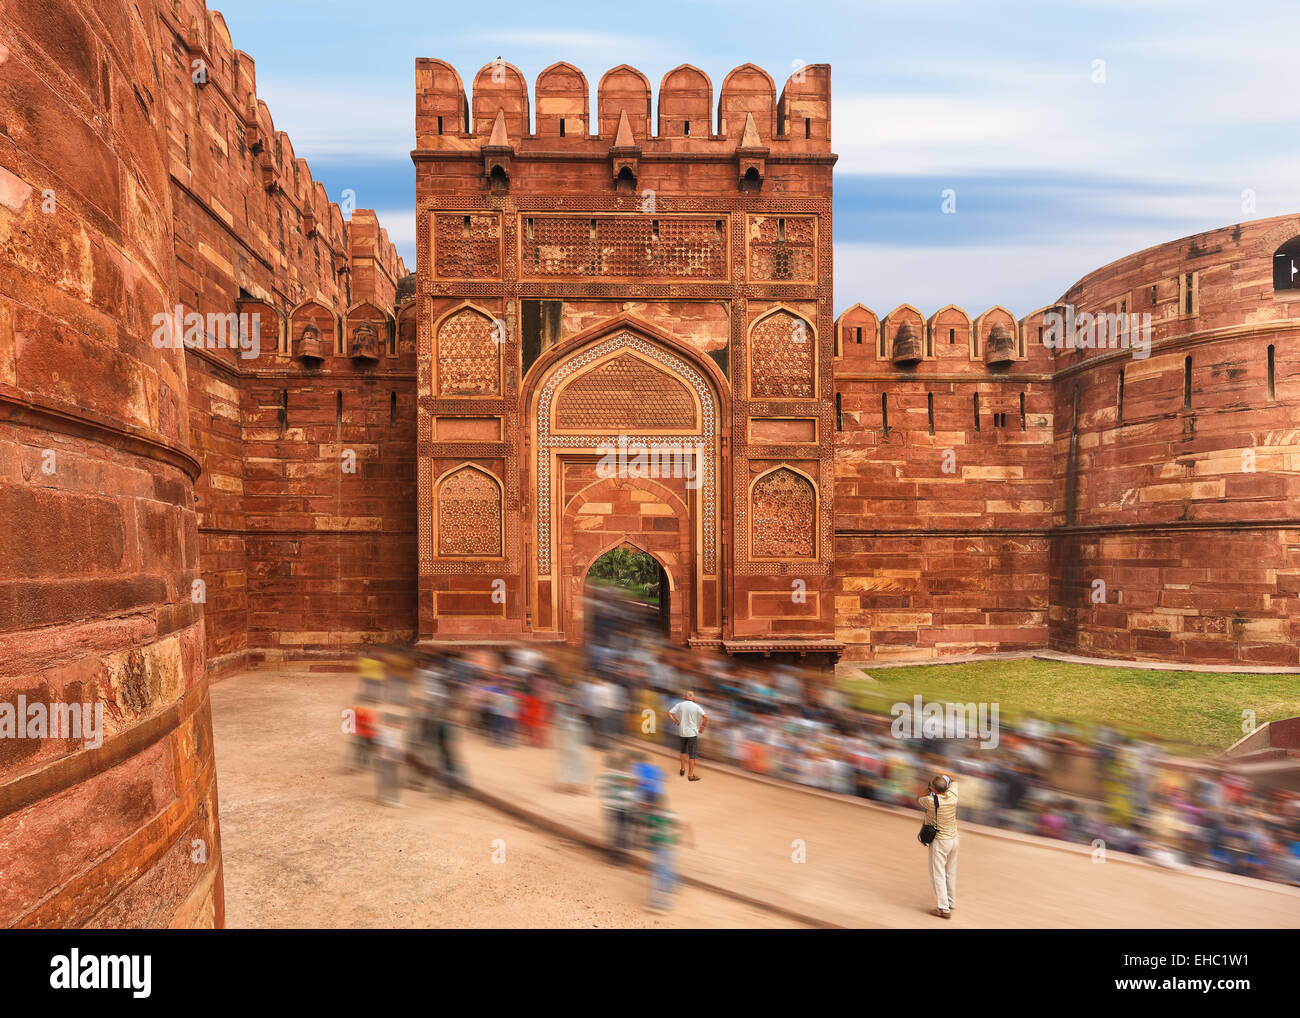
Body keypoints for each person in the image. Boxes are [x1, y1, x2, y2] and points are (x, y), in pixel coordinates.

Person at [644, 792, 693, 913]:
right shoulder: (670, 815)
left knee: (660, 873)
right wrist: (688, 839)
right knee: (666, 870)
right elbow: (686, 823)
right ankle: (675, 886)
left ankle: (662, 903)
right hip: (669, 847)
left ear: (653, 804)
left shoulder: (652, 815)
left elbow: (648, 832)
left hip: (664, 848)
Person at [919, 773, 959, 918]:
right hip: (954, 839)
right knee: (950, 872)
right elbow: (953, 780)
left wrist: (928, 786)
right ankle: (950, 902)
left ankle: (943, 909)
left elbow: (919, 797)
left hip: (940, 841)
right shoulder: (953, 794)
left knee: (938, 874)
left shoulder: (930, 801)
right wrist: (943, 779)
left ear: (933, 789)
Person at [597, 752, 635, 864]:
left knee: (612, 831)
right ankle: (619, 856)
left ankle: (612, 855)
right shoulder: (628, 777)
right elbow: (629, 794)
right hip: (622, 808)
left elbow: (602, 790)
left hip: (610, 806)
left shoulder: (608, 775)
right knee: (621, 831)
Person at [666, 691, 707, 781]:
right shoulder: (696, 706)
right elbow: (705, 716)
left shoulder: (680, 705)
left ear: (685, 697)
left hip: (682, 732)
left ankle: (682, 768)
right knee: (692, 754)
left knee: (683, 751)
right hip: (692, 733)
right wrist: (702, 726)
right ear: (692, 698)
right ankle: (690, 775)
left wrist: (676, 721)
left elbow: (669, 713)